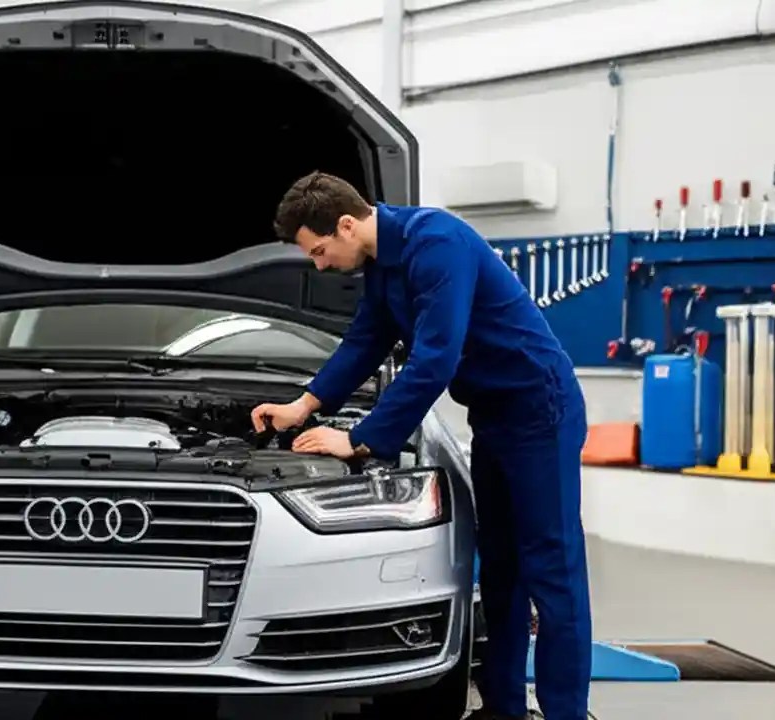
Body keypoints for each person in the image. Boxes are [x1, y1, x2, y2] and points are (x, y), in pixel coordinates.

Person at [250, 171, 590, 720]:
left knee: (553, 571)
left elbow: (436, 358)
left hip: (539, 411)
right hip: (494, 416)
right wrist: (304, 405)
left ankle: (566, 712)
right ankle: (503, 708)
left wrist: (358, 441)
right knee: (500, 570)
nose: (320, 266)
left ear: (345, 225)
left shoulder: (438, 244)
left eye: (318, 251)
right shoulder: (382, 264)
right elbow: (365, 341)